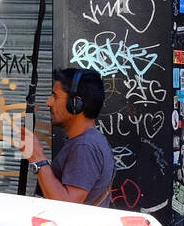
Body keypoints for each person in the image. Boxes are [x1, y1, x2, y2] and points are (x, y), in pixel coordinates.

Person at [20, 67, 114, 205]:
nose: (48, 102)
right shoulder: (88, 141)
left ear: (75, 104)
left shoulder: (85, 146)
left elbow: (67, 206)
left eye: (55, 96)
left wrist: (38, 158)